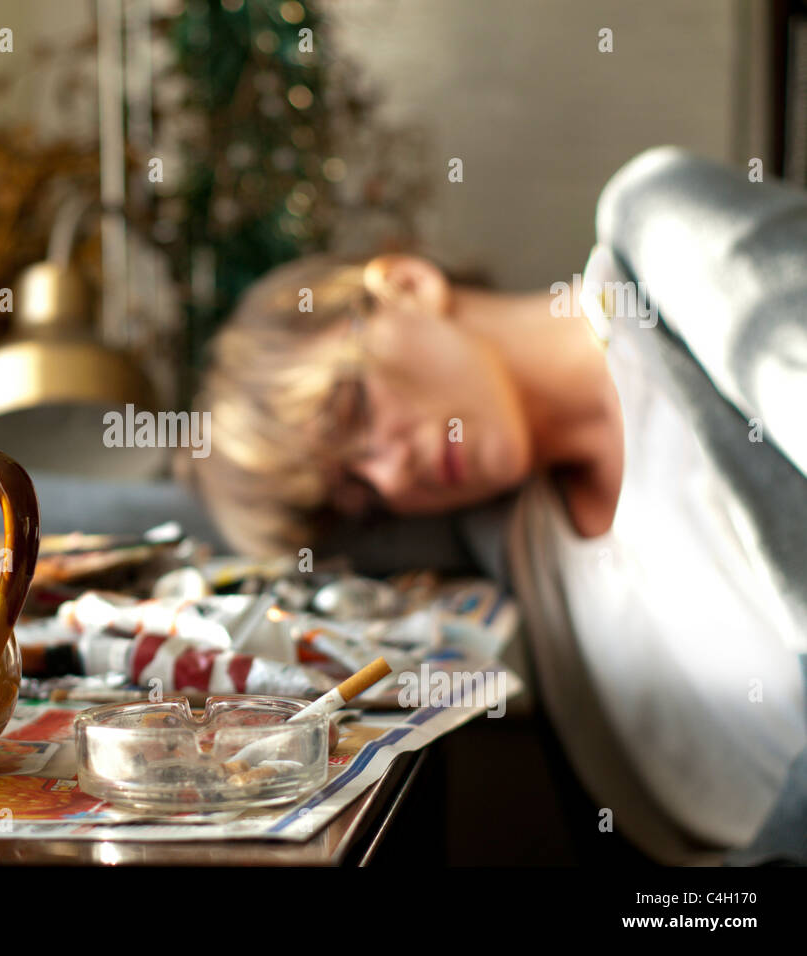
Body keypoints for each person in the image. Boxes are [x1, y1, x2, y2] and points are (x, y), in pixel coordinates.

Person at [188, 147, 807, 865]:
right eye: (359, 495)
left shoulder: (661, 236)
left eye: (352, 407)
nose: (393, 473)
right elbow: (195, 540)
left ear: (409, 283)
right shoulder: (510, 542)